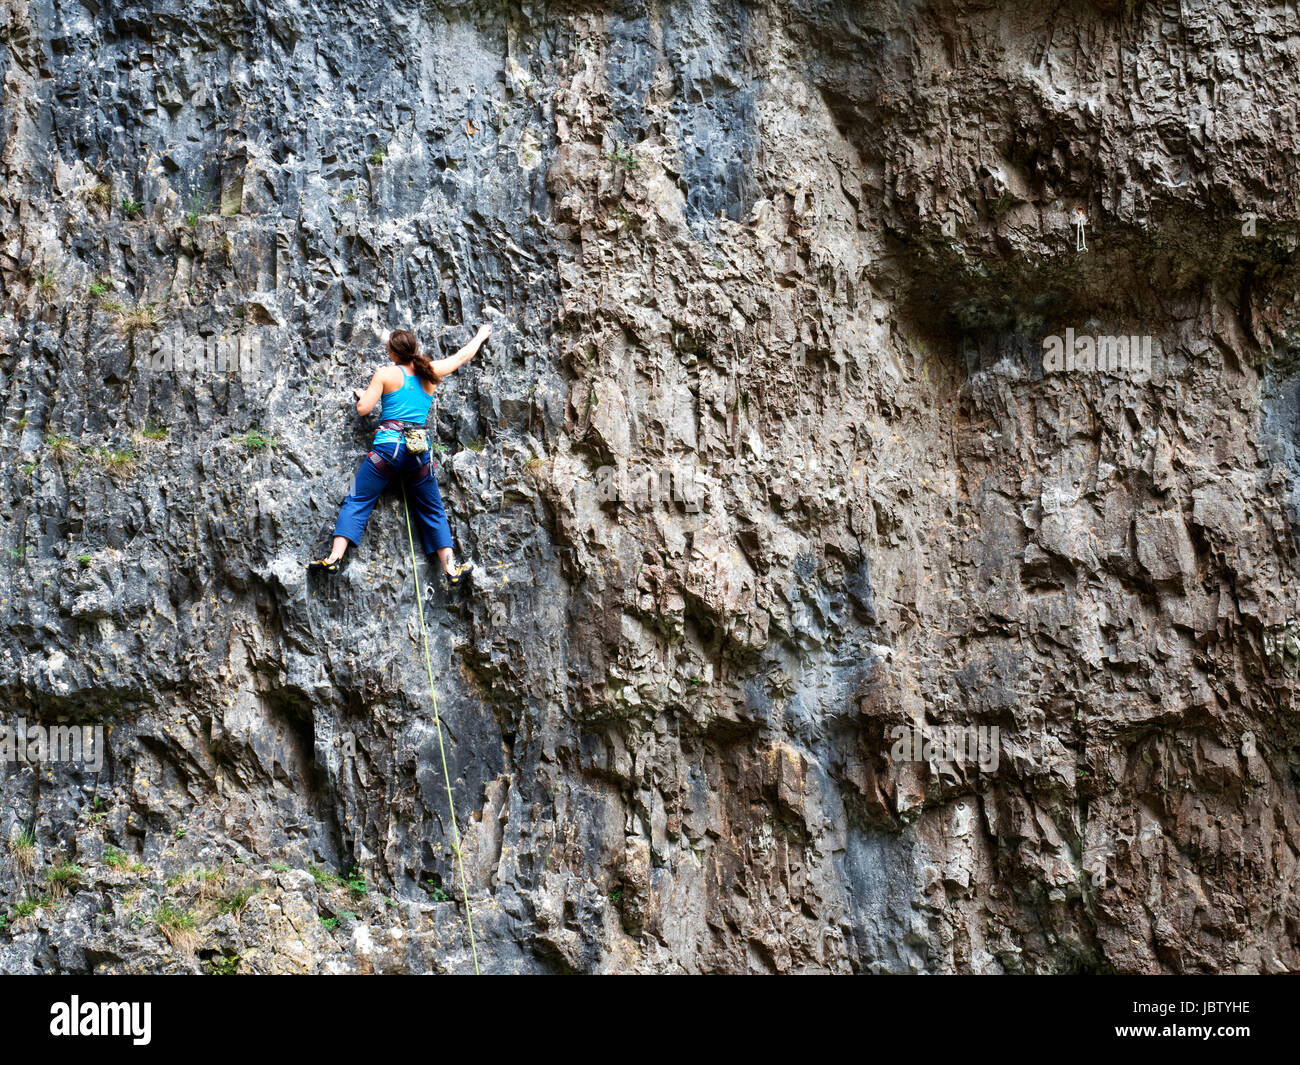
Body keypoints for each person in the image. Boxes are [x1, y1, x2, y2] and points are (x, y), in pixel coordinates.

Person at [308, 324, 491, 584]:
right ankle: (450, 569)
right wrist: (481, 336)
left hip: (388, 448)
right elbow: (462, 356)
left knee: (357, 498)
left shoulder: (385, 374)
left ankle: (334, 558)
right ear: (414, 349)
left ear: (392, 353)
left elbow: (363, 409)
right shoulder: (431, 371)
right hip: (417, 451)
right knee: (433, 508)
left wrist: (365, 396)